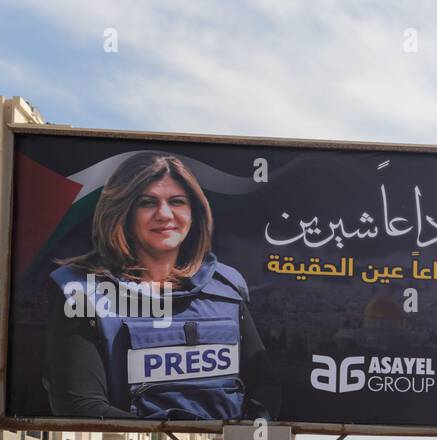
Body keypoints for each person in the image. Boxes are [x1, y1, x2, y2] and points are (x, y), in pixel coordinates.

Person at [44, 152, 279, 421]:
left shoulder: (226, 285)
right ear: (123, 211)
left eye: (177, 202)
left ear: (194, 212)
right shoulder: (79, 289)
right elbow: (79, 406)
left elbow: (265, 388)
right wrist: (174, 436)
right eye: (147, 203)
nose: (164, 214)